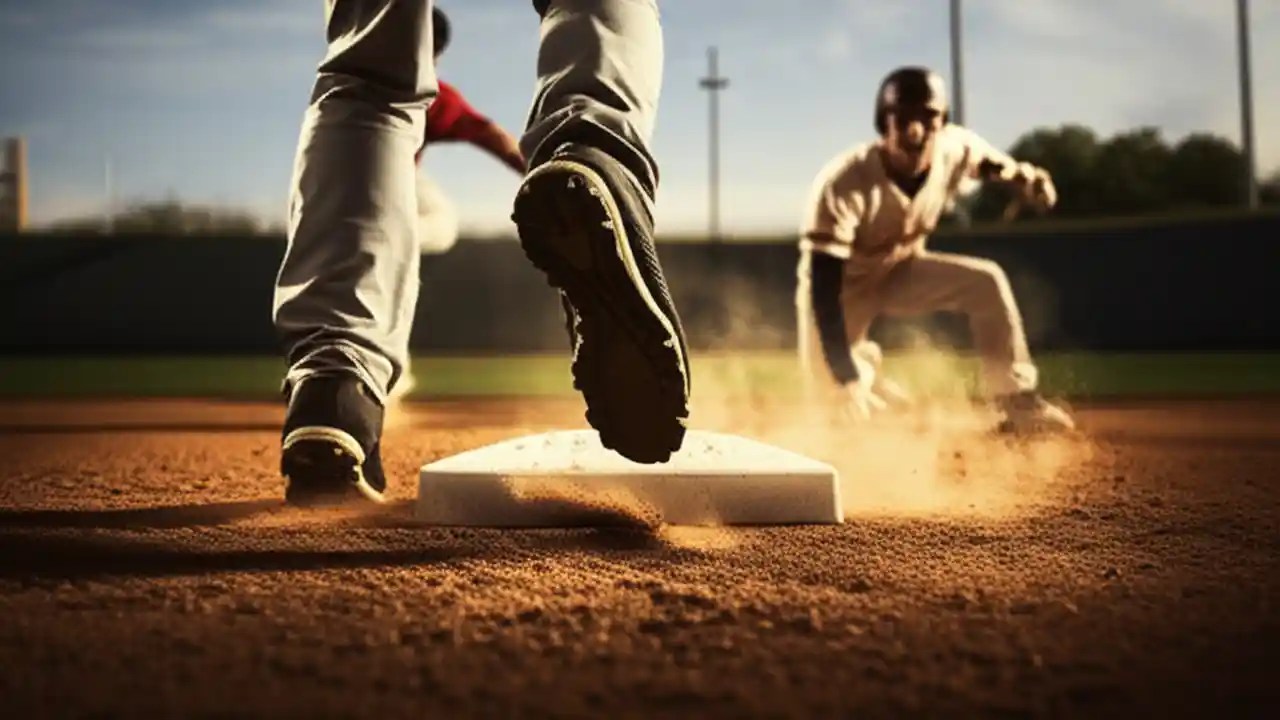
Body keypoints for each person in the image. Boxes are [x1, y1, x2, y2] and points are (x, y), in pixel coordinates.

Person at [274, 0, 690, 506]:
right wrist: (540, 177)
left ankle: (336, 388)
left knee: (367, 71)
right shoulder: (444, 97)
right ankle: (595, 158)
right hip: (412, 188)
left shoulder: (438, 94)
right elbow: (488, 134)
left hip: (365, 196)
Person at [796, 66, 1074, 433]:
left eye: (928, 117)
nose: (916, 130)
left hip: (901, 270)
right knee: (839, 407)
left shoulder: (954, 147)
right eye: (904, 118)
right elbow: (824, 291)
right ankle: (867, 376)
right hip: (843, 291)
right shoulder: (844, 183)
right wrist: (845, 379)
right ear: (884, 123)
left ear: (942, 122)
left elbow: (997, 166)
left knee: (986, 282)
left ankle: (1016, 400)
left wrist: (1028, 179)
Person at [388, 6, 527, 403]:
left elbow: (488, 134)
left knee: (388, 262)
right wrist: (537, 174)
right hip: (378, 198)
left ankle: (344, 373)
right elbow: (492, 136)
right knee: (415, 243)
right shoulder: (425, 90)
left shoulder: (341, 79)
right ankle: (379, 374)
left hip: (334, 196)